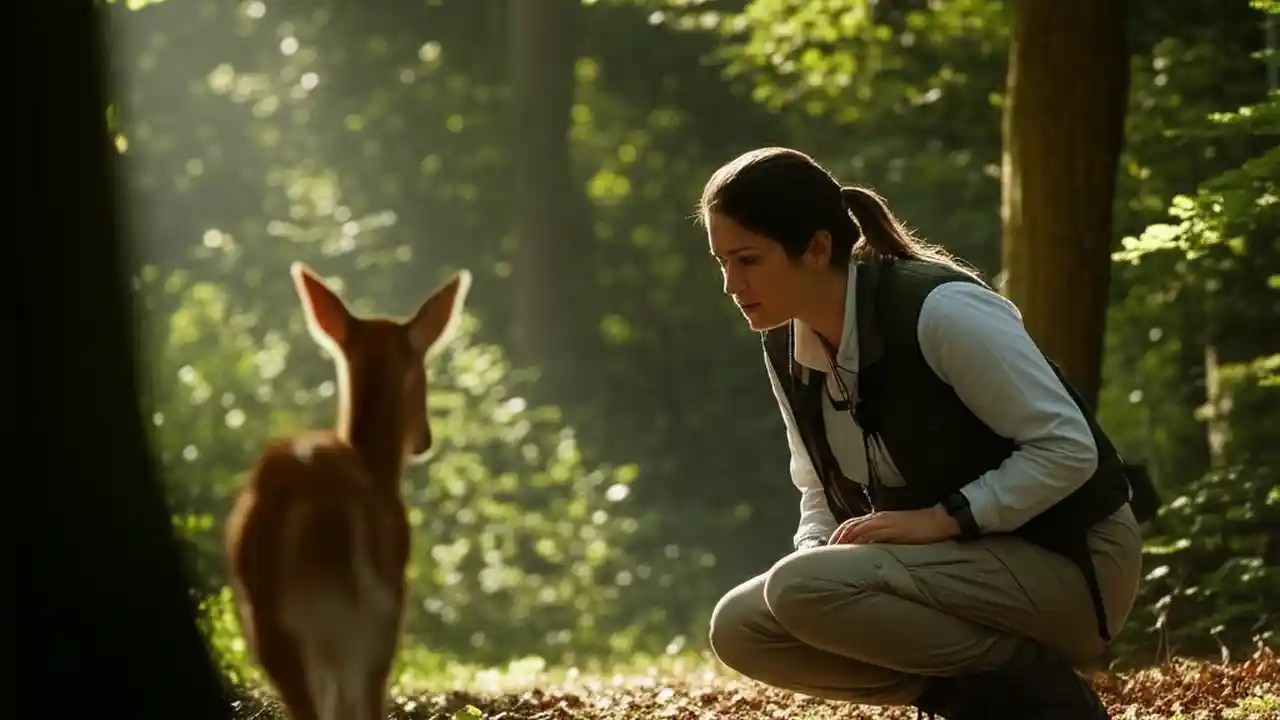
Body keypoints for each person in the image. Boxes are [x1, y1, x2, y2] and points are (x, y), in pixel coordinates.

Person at [700, 147, 1143, 719]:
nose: (730, 284)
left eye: (747, 260)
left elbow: (1067, 449)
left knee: (797, 588)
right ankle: (978, 699)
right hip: (951, 568)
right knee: (740, 627)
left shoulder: (941, 310)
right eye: (721, 262)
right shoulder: (786, 344)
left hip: (1073, 565)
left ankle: (1037, 685)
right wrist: (817, 554)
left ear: (816, 248)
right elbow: (816, 489)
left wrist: (944, 519)